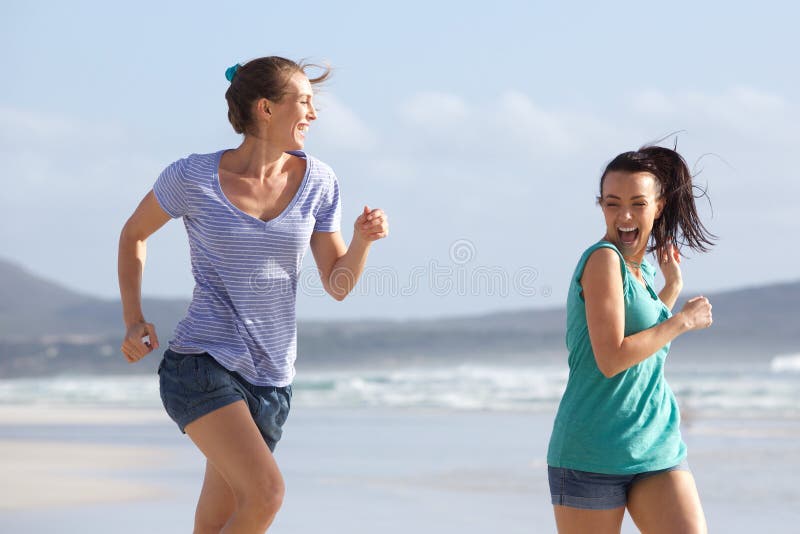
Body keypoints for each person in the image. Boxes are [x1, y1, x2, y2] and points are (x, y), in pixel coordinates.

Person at [118, 56, 388, 533]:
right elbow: (134, 234)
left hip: (272, 381)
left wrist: (363, 241)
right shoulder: (192, 178)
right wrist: (134, 318)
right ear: (265, 108)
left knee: (218, 521)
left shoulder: (319, 182)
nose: (313, 113)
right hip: (201, 364)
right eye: (303, 100)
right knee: (267, 494)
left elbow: (338, 285)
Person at [546, 145, 715, 534]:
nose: (624, 215)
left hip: (654, 445)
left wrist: (670, 289)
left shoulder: (641, 273)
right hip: (592, 451)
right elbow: (612, 358)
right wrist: (682, 321)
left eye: (637, 203)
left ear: (658, 206)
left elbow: (645, 348)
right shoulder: (603, 261)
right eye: (612, 203)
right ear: (601, 206)